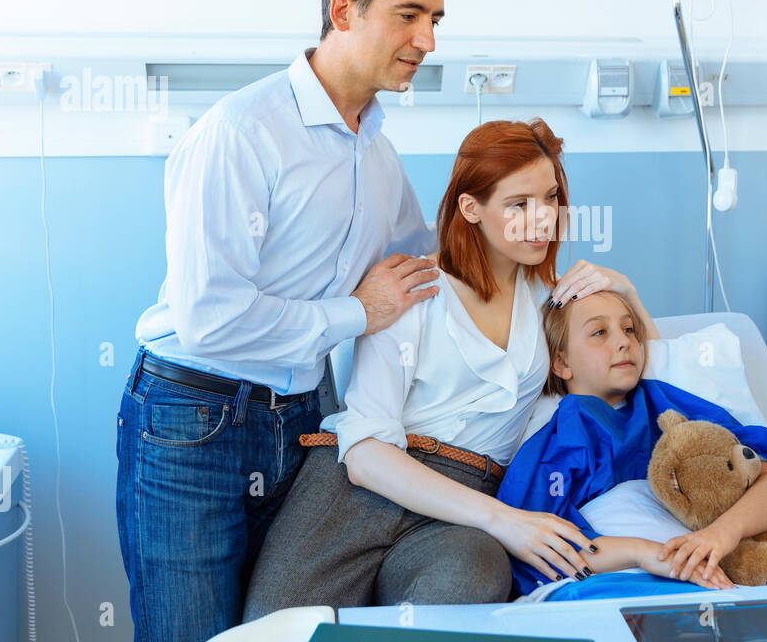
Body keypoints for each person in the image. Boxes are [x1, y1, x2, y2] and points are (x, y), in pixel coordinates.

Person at [116, 0, 455, 642]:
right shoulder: (241, 133)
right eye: (409, 16)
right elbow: (211, 321)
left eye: (434, 21)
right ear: (343, 11)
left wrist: (560, 279)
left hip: (300, 422)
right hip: (193, 419)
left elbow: (431, 265)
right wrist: (358, 313)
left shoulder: (378, 151)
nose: (428, 41)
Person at [242, 119, 657, 616]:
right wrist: (504, 520)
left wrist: (626, 291)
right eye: (519, 204)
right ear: (471, 208)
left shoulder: (556, 303)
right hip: (356, 495)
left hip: (464, 513)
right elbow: (366, 453)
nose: (543, 219)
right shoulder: (413, 288)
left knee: (469, 581)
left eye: (550, 198)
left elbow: (640, 368)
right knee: (275, 638)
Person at [496, 289, 767, 598]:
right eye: (599, 333)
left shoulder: (671, 407)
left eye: (629, 329)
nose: (623, 341)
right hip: (620, 588)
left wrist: (721, 534)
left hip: (721, 577)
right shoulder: (554, 446)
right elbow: (542, 553)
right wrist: (644, 552)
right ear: (561, 362)